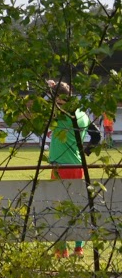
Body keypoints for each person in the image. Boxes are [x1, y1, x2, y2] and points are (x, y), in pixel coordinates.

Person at [45, 81, 90, 259]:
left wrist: (48, 90)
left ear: (59, 99)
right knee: (78, 207)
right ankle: (79, 248)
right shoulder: (82, 115)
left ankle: (61, 250)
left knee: (58, 208)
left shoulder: (60, 116)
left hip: (60, 166)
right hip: (78, 166)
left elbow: (43, 114)